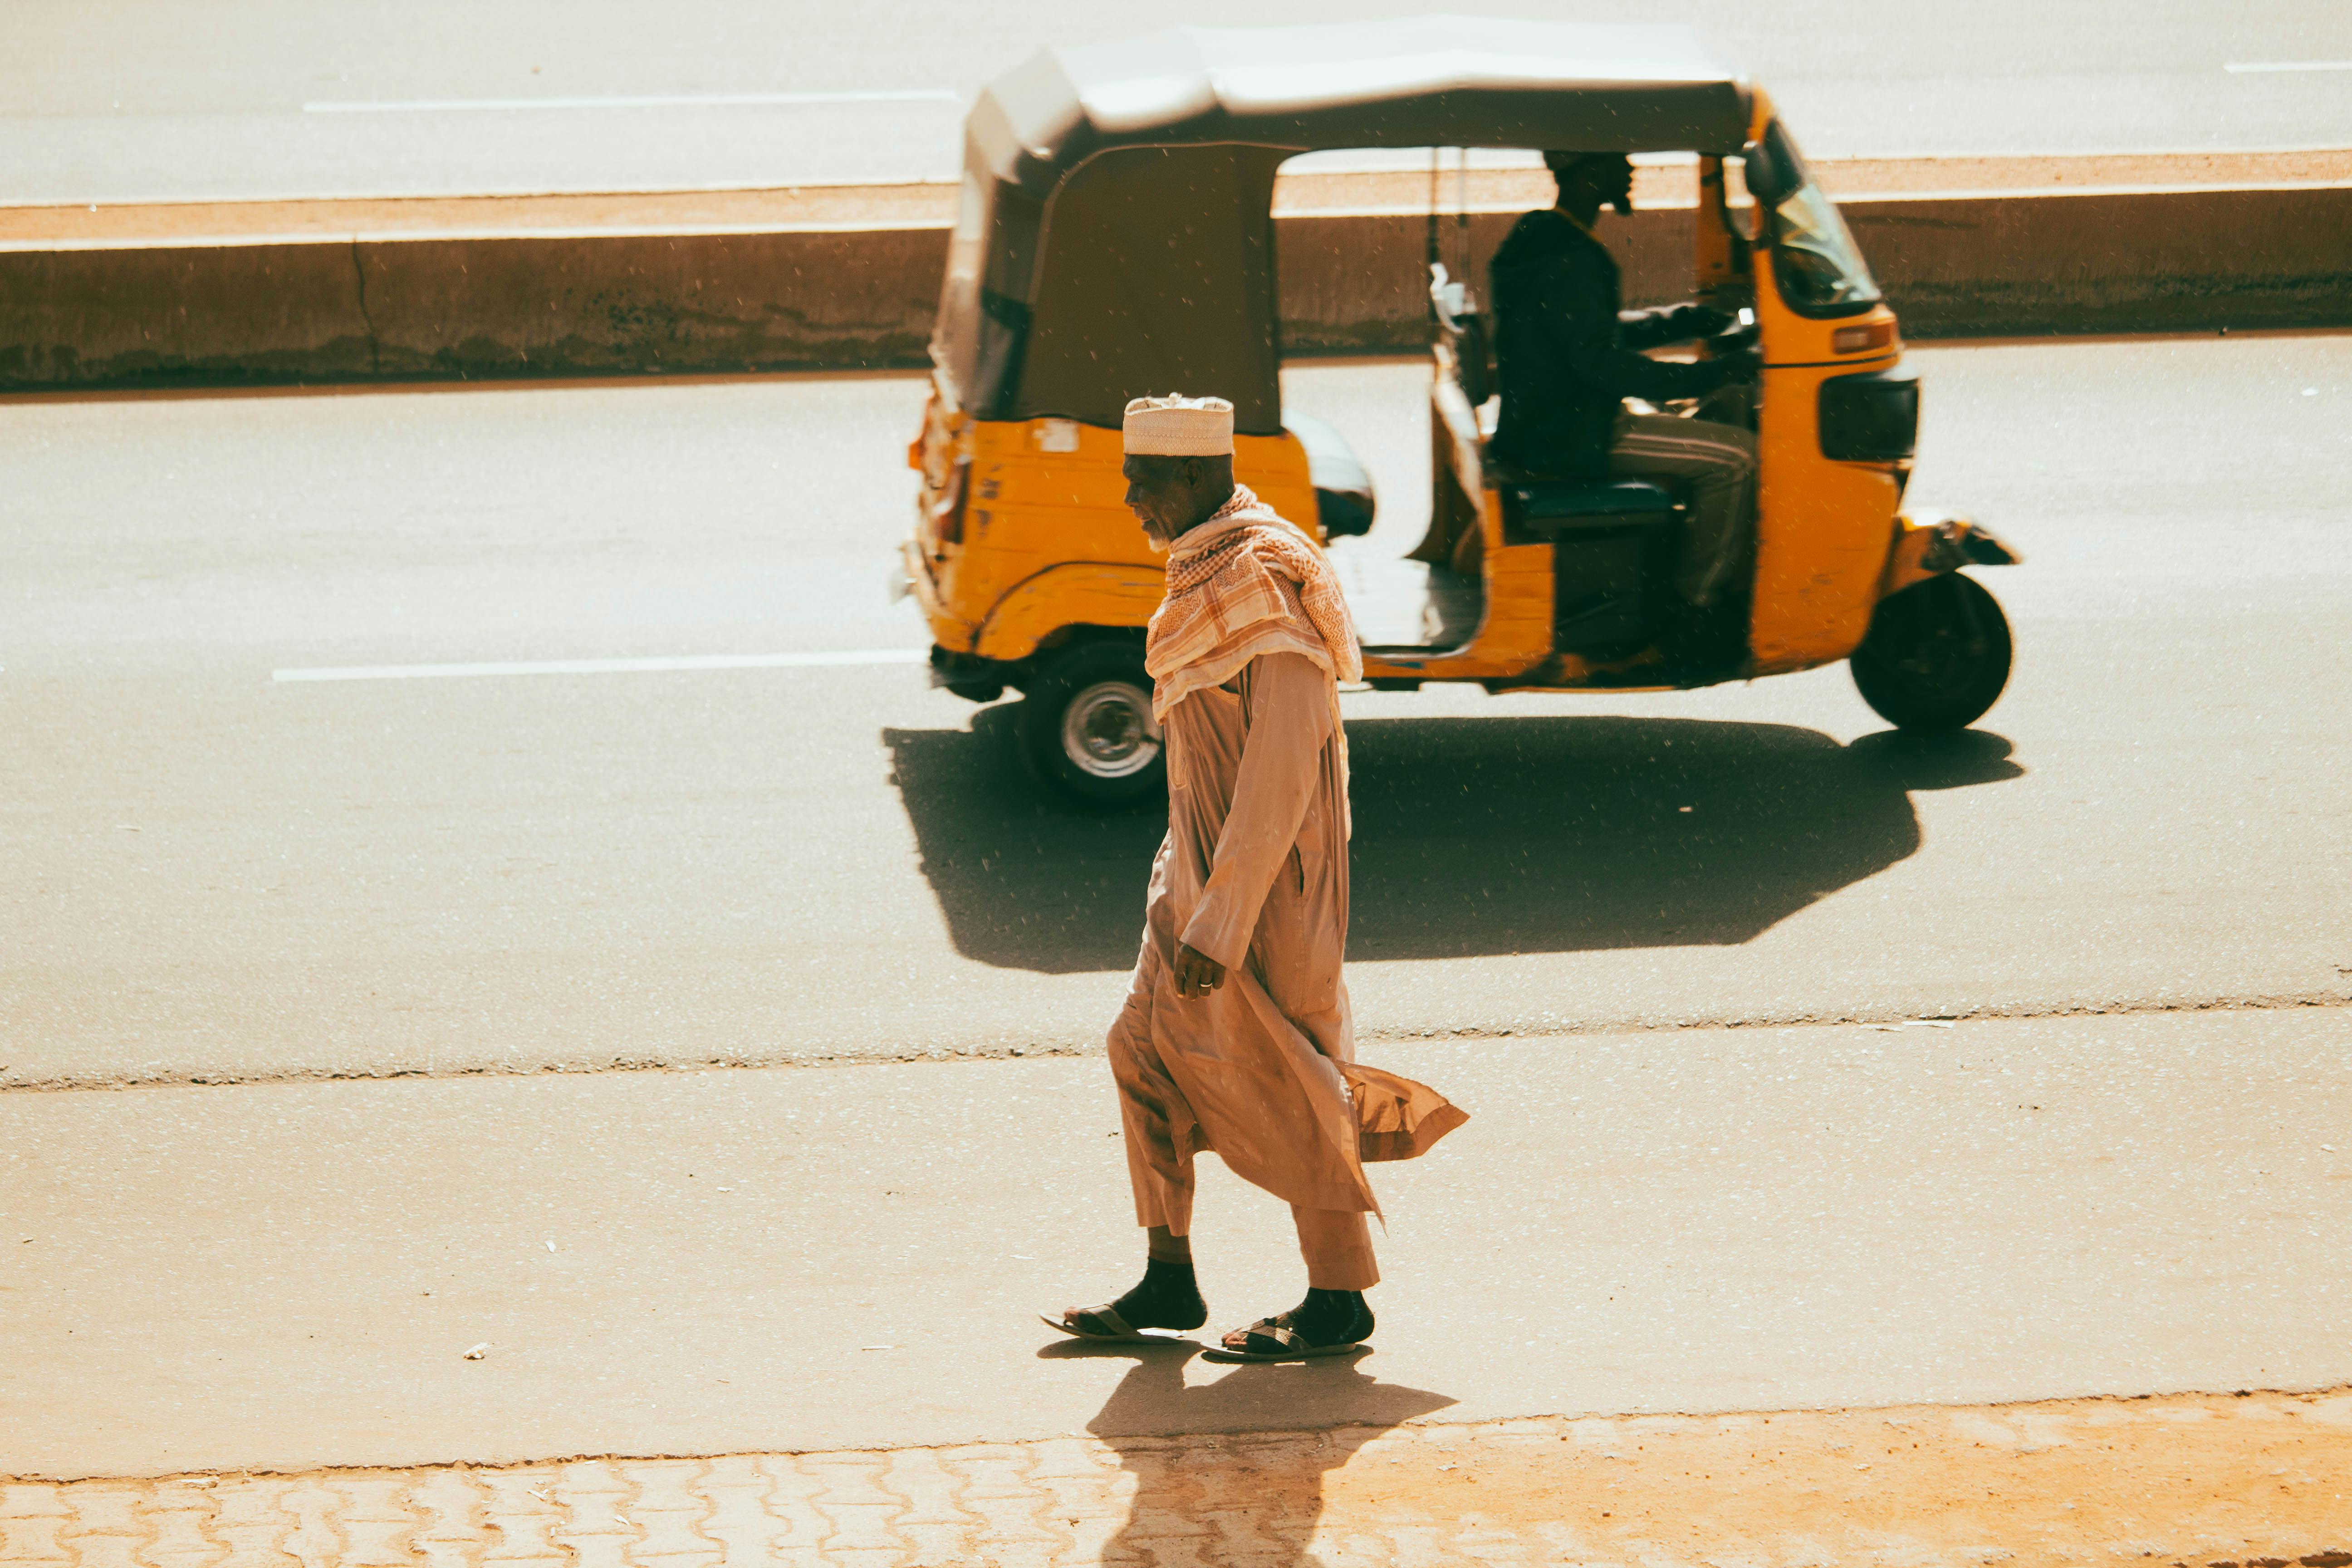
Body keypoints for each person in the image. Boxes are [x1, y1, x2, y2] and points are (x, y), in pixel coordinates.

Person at [1048, 394, 1462, 1362]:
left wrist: (1222, 921)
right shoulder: (1206, 569)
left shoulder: (1267, 580)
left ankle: (1339, 1297)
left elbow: (1279, 773)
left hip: (1272, 891)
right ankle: (1167, 1276)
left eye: (1142, 482)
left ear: (1192, 476)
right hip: (1193, 877)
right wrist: (1180, 885)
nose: (1131, 501)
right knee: (1140, 1049)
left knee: (1292, 1076)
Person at [1488, 149, 1762, 662]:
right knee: (1739, 460)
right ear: (1591, 175)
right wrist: (1711, 373)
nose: (1631, 171)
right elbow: (1603, 366)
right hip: (1573, 434)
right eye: (1620, 161)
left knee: (1713, 423)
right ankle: (1695, 607)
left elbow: (1591, 336)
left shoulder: (1545, 237)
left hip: (1548, 421)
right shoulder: (1572, 257)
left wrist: (1685, 320)